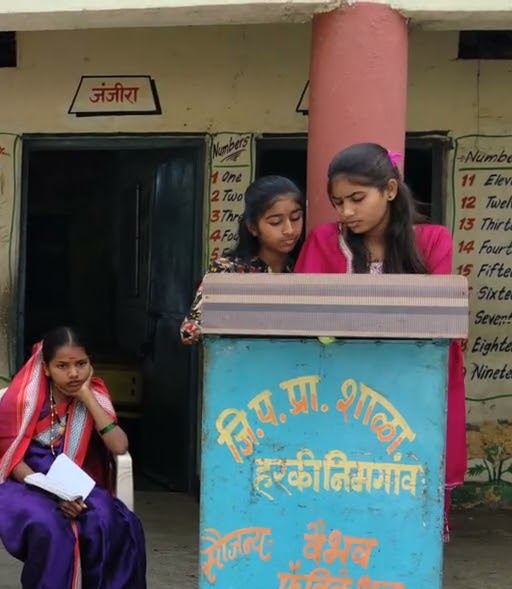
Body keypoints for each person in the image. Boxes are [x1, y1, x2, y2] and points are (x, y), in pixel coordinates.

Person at [294, 142, 466, 541]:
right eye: (338, 202)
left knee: (406, 509)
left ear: (390, 190)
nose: (346, 212)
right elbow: (303, 317)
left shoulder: (433, 241)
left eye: (357, 198)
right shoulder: (323, 241)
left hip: (413, 393)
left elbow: (435, 319)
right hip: (338, 395)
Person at [0, 326, 148, 589]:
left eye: (81, 364)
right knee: (52, 525)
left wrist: (86, 398)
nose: (74, 373)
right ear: (45, 367)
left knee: (105, 518)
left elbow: (120, 446)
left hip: (77, 482)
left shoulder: (93, 393)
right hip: (24, 484)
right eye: (63, 366)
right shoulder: (25, 396)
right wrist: (49, 489)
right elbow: (7, 456)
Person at [180, 175, 305, 344]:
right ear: (253, 227)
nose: (289, 230)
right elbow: (188, 332)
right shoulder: (227, 270)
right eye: (276, 222)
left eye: (296, 218)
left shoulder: (302, 268)